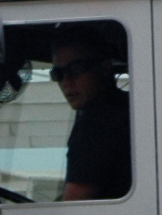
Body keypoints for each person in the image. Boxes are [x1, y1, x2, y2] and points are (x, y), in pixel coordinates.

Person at [51, 27, 132, 200]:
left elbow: (74, 204)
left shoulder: (97, 124)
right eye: (57, 74)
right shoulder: (130, 108)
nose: (66, 82)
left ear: (104, 68)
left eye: (76, 69)